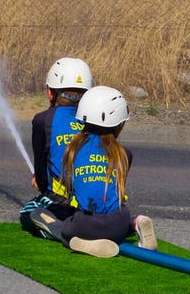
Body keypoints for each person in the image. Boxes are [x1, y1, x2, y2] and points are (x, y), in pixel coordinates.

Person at [31, 85, 157, 258]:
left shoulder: (72, 150)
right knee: (115, 210)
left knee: (46, 218)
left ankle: (79, 241)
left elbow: (71, 190)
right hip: (119, 224)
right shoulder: (124, 154)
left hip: (86, 224)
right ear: (119, 124)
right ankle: (136, 222)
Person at [19, 57, 94, 237]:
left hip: (63, 204)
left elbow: (41, 174)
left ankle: (63, 232)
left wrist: (40, 183)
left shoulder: (43, 120)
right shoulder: (95, 120)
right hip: (96, 203)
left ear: (50, 92)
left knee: (28, 212)